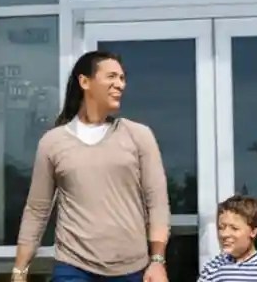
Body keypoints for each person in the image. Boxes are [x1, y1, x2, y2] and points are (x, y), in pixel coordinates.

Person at [12, 50, 171, 282]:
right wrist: (19, 270)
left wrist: (157, 261)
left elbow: (157, 202)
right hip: (73, 267)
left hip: (131, 269)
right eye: (112, 77)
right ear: (85, 81)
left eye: (122, 78)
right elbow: (37, 209)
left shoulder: (138, 135)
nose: (120, 84)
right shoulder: (53, 142)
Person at [198, 195, 257, 282]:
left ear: (253, 231)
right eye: (221, 228)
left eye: (234, 228)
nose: (224, 234)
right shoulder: (214, 265)